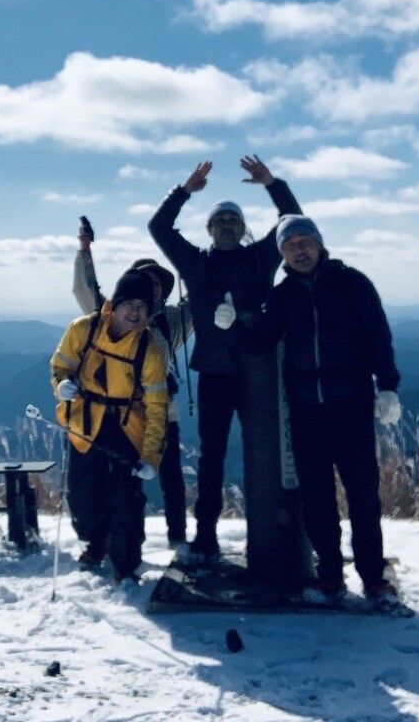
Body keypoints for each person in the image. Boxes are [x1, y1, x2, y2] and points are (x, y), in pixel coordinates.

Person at [148, 155, 303, 569]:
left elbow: (294, 222)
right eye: (220, 221)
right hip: (218, 375)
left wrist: (272, 183)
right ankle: (206, 537)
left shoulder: (260, 258)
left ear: (243, 227)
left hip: (260, 372)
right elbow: (158, 228)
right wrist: (183, 191)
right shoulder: (195, 264)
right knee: (211, 457)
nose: (227, 226)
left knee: (265, 454)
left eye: (233, 220)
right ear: (210, 230)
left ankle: (269, 537)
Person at [263, 214, 403, 605]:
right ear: (283, 255)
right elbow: (263, 337)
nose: (299, 250)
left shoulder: (351, 282)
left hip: (351, 403)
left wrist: (388, 386)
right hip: (306, 408)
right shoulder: (282, 295)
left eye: (305, 241)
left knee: (362, 494)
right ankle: (329, 575)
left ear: (320, 244)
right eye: (290, 246)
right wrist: (230, 324)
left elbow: (379, 333)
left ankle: (373, 577)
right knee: (317, 495)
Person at [72, 222, 192, 547]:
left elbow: (198, 300)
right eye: (144, 281)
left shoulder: (171, 322)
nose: (150, 288)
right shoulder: (111, 315)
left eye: (156, 285)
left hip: (159, 414)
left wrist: (188, 260)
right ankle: (113, 544)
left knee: (170, 479)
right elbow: (85, 291)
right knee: (118, 484)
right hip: (118, 417)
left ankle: (177, 541)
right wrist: (85, 252)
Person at [51, 270, 171, 584]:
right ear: (114, 305)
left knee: (125, 499)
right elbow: (61, 365)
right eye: (128, 303)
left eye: (142, 306)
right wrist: (61, 383)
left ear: (150, 311)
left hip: (127, 426)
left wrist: (151, 457)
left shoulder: (149, 350)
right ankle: (95, 542)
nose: (135, 311)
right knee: (83, 496)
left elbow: (157, 407)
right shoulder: (83, 329)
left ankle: (126, 565)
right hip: (86, 421)